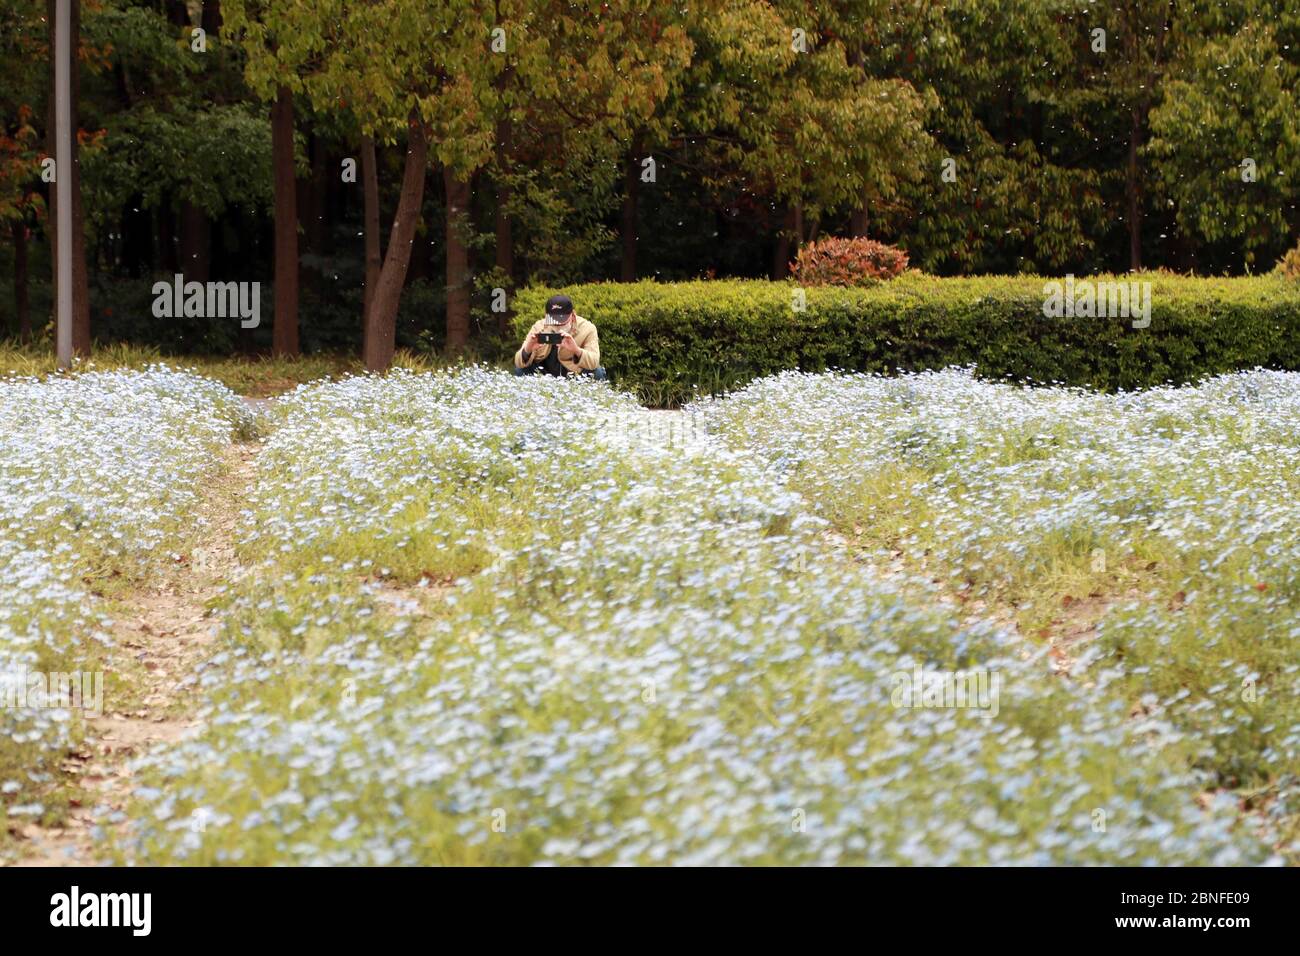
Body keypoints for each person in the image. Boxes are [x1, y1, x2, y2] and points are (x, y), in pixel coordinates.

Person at [514, 294, 606, 380]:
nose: (558, 323)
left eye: (562, 318)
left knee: (597, 373)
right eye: (554, 319)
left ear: (572, 314)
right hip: (544, 373)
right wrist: (527, 350)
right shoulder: (539, 326)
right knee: (520, 370)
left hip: (574, 373)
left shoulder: (588, 328)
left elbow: (594, 361)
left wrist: (576, 350)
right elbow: (518, 362)